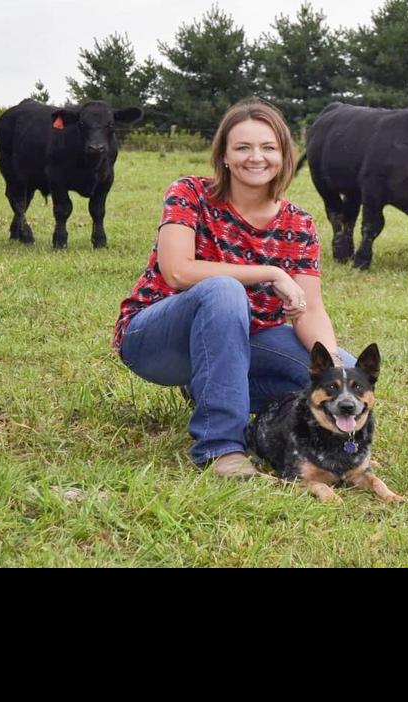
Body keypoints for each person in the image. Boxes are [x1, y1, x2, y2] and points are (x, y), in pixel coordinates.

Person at [113, 98, 352, 478]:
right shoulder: (190, 193)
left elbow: (311, 310)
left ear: (284, 156)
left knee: (345, 373)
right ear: (224, 155)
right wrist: (269, 272)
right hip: (156, 338)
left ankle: (221, 396)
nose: (255, 157)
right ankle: (221, 447)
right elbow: (176, 271)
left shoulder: (299, 224)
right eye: (242, 147)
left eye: (268, 147)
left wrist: (335, 371)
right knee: (223, 290)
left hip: (242, 342)